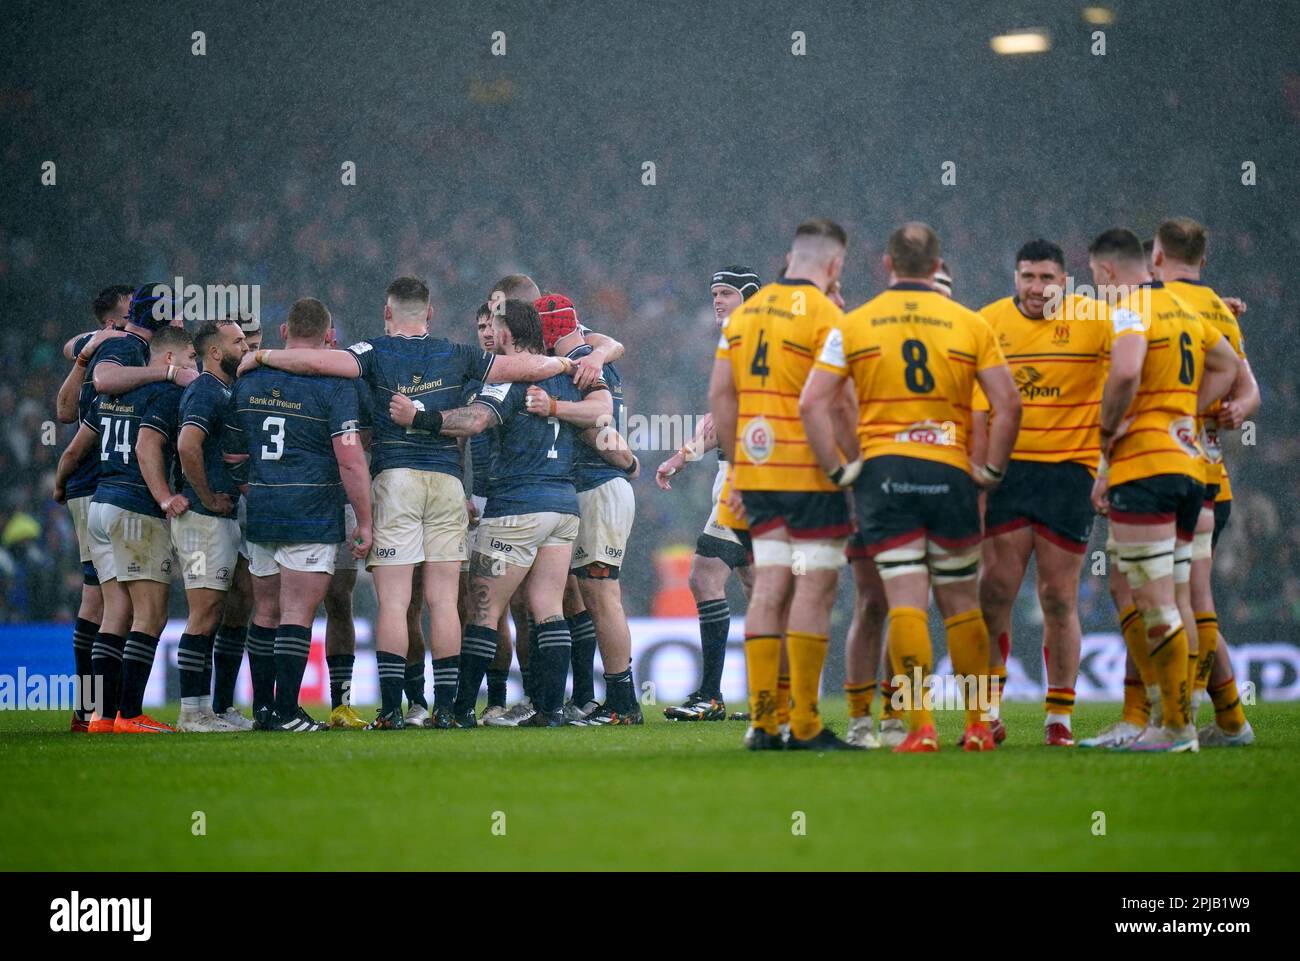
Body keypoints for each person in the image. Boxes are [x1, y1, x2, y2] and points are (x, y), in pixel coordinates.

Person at [238, 278, 574, 728]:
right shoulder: (459, 354)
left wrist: (262, 355)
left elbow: (316, 362)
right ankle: (451, 710)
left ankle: (393, 710)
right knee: (442, 601)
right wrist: (573, 364)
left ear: (387, 313)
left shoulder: (371, 352)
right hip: (447, 483)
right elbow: (525, 368)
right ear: (430, 314)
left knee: (395, 604)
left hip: (396, 479)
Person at [801, 222, 1022, 753]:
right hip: (949, 472)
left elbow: (812, 402)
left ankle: (920, 728)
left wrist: (837, 470)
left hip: (886, 472)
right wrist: (990, 470)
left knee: (905, 601)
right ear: (937, 264)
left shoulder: (854, 325)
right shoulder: (971, 324)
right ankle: (976, 724)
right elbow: (1009, 403)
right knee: (963, 604)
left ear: (886, 264)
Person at [389, 299, 636, 727]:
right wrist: (629, 461)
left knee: (483, 611)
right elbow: (603, 412)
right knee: (548, 606)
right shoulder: (570, 374)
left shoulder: (511, 378)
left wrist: (420, 417)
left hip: (514, 510)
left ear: (505, 335)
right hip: (562, 509)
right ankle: (552, 710)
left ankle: (460, 710)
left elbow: (474, 422)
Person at [1086, 228, 1240, 753]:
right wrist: (1187, 412)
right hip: (1191, 469)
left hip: (1145, 469)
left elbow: (1126, 370)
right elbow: (1228, 366)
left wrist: (1110, 432)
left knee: (1154, 603)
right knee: (1177, 597)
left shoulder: (1129, 308)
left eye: (1093, 277)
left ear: (1107, 272)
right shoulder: (1183, 310)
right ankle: (1180, 718)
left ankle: (1173, 727)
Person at [710, 218, 860, 751]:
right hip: (812, 476)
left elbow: (721, 397)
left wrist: (736, 467)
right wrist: (851, 467)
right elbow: (837, 403)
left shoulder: (745, 316)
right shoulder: (828, 316)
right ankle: (805, 723)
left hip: (757, 476)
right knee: (815, 592)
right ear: (835, 264)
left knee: (769, 588)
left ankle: (763, 723)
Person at [970, 239, 1112, 747]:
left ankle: (1060, 717)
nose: (1036, 288)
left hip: (1068, 474)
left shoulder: (1097, 321)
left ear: (1064, 280)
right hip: (1007, 475)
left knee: (1057, 597)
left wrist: (1209, 315)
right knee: (994, 593)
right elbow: (976, 408)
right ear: (1015, 277)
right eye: (1027, 277)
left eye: (1047, 278)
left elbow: (1150, 344)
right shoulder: (987, 322)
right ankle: (986, 712)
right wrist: (979, 477)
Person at [228, 298, 374, 732]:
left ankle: (266, 712)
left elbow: (234, 454)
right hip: (311, 510)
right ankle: (289, 711)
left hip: (263, 511)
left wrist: (256, 489)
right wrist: (365, 521)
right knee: (296, 613)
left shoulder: (248, 380)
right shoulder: (334, 385)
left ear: (283, 331)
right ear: (329, 338)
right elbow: (350, 460)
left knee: (266, 612)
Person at [56, 324, 199, 733]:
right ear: (169, 358)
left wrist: (60, 484)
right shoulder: (167, 393)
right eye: (190, 359)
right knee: (150, 615)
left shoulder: (113, 392)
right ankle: (130, 714)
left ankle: (101, 717)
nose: (194, 366)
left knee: (115, 611)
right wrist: (164, 496)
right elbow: (147, 446)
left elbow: (75, 446)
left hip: (101, 504)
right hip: (136, 507)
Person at [658, 267, 760, 722]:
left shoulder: (748, 341)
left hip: (745, 477)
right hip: (753, 474)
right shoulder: (748, 340)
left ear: (748, 296)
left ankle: (711, 695)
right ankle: (775, 699)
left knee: (703, 576)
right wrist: (683, 455)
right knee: (760, 590)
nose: (717, 300)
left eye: (726, 293)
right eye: (714, 292)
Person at [172, 318, 249, 731]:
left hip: (223, 516)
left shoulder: (224, 390)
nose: (245, 346)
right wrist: (204, 496)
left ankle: (217, 708)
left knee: (231, 606)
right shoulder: (204, 389)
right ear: (215, 352)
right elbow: (188, 444)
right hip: (204, 518)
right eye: (238, 341)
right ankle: (191, 712)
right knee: (203, 614)